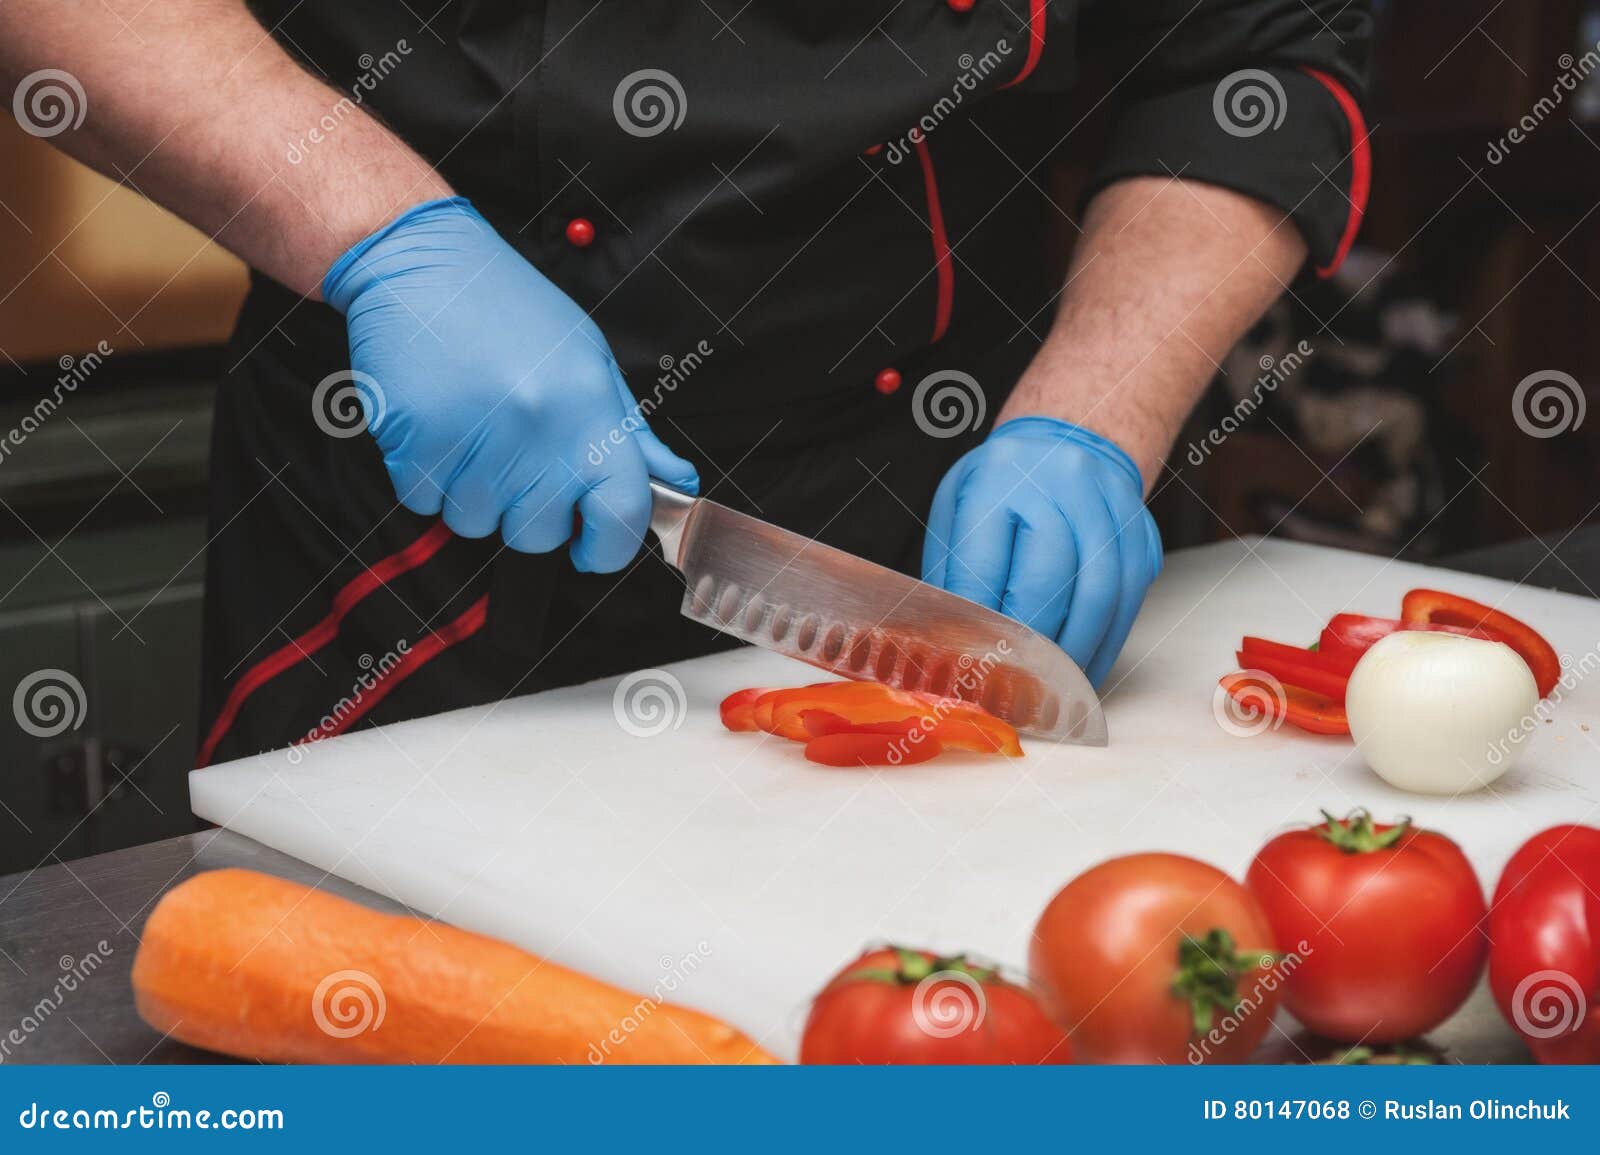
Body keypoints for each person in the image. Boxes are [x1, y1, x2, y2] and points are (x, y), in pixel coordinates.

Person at [1, 1, 1371, 765]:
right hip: (403, 533)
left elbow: (1252, 53)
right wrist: (384, 241)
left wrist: (1093, 417)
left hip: (934, 527)